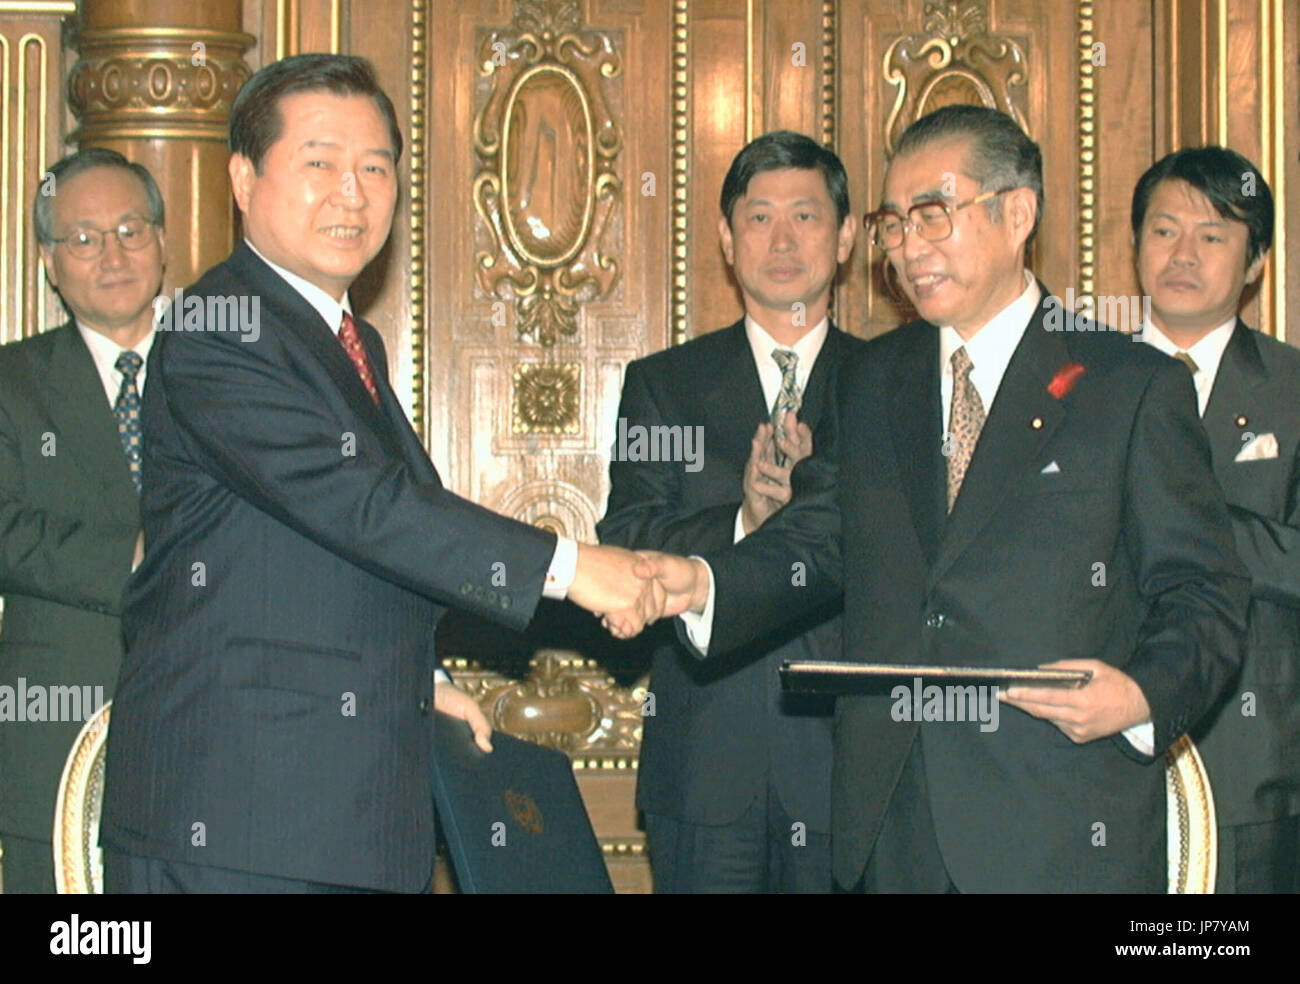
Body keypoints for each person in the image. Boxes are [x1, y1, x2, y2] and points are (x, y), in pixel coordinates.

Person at [636, 105, 1250, 892]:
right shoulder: (872, 381)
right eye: (894, 225)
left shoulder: (1129, 385)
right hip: (893, 828)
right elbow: (816, 543)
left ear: (1017, 213)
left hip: (1057, 825)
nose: (908, 249)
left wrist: (1139, 696)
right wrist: (701, 582)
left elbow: (1206, 591)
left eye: (934, 215)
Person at [100, 53, 658, 894]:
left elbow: (344, 551)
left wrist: (422, 681)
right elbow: (366, 507)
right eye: (318, 163)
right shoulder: (223, 329)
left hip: (339, 819)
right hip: (239, 825)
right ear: (243, 179)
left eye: (375, 167)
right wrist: (575, 569)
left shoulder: (347, 342)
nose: (352, 192)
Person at [598, 131, 861, 892]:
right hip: (705, 766)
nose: (782, 241)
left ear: (845, 237)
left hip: (848, 770)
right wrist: (741, 521)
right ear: (725, 236)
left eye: (806, 218)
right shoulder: (665, 385)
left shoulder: (890, 383)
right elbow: (627, 538)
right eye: (759, 217)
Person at [1132, 145, 1300, 893]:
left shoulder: (1293, 392)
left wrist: (1177, 517)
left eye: (1213, 235)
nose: (1183, 254)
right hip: (1093, 763)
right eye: (1164, 230)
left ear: (1257, 260)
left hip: (1252, 765)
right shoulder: (1072, 383)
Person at [0, 148, 160, 893]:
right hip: (57, 745)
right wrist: (137, 555)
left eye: (131, 229)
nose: (113, 253)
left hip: (223, 746)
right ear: (47, 260)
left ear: (162, 242)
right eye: (84, 237)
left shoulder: (229, 374)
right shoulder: (11, 383)